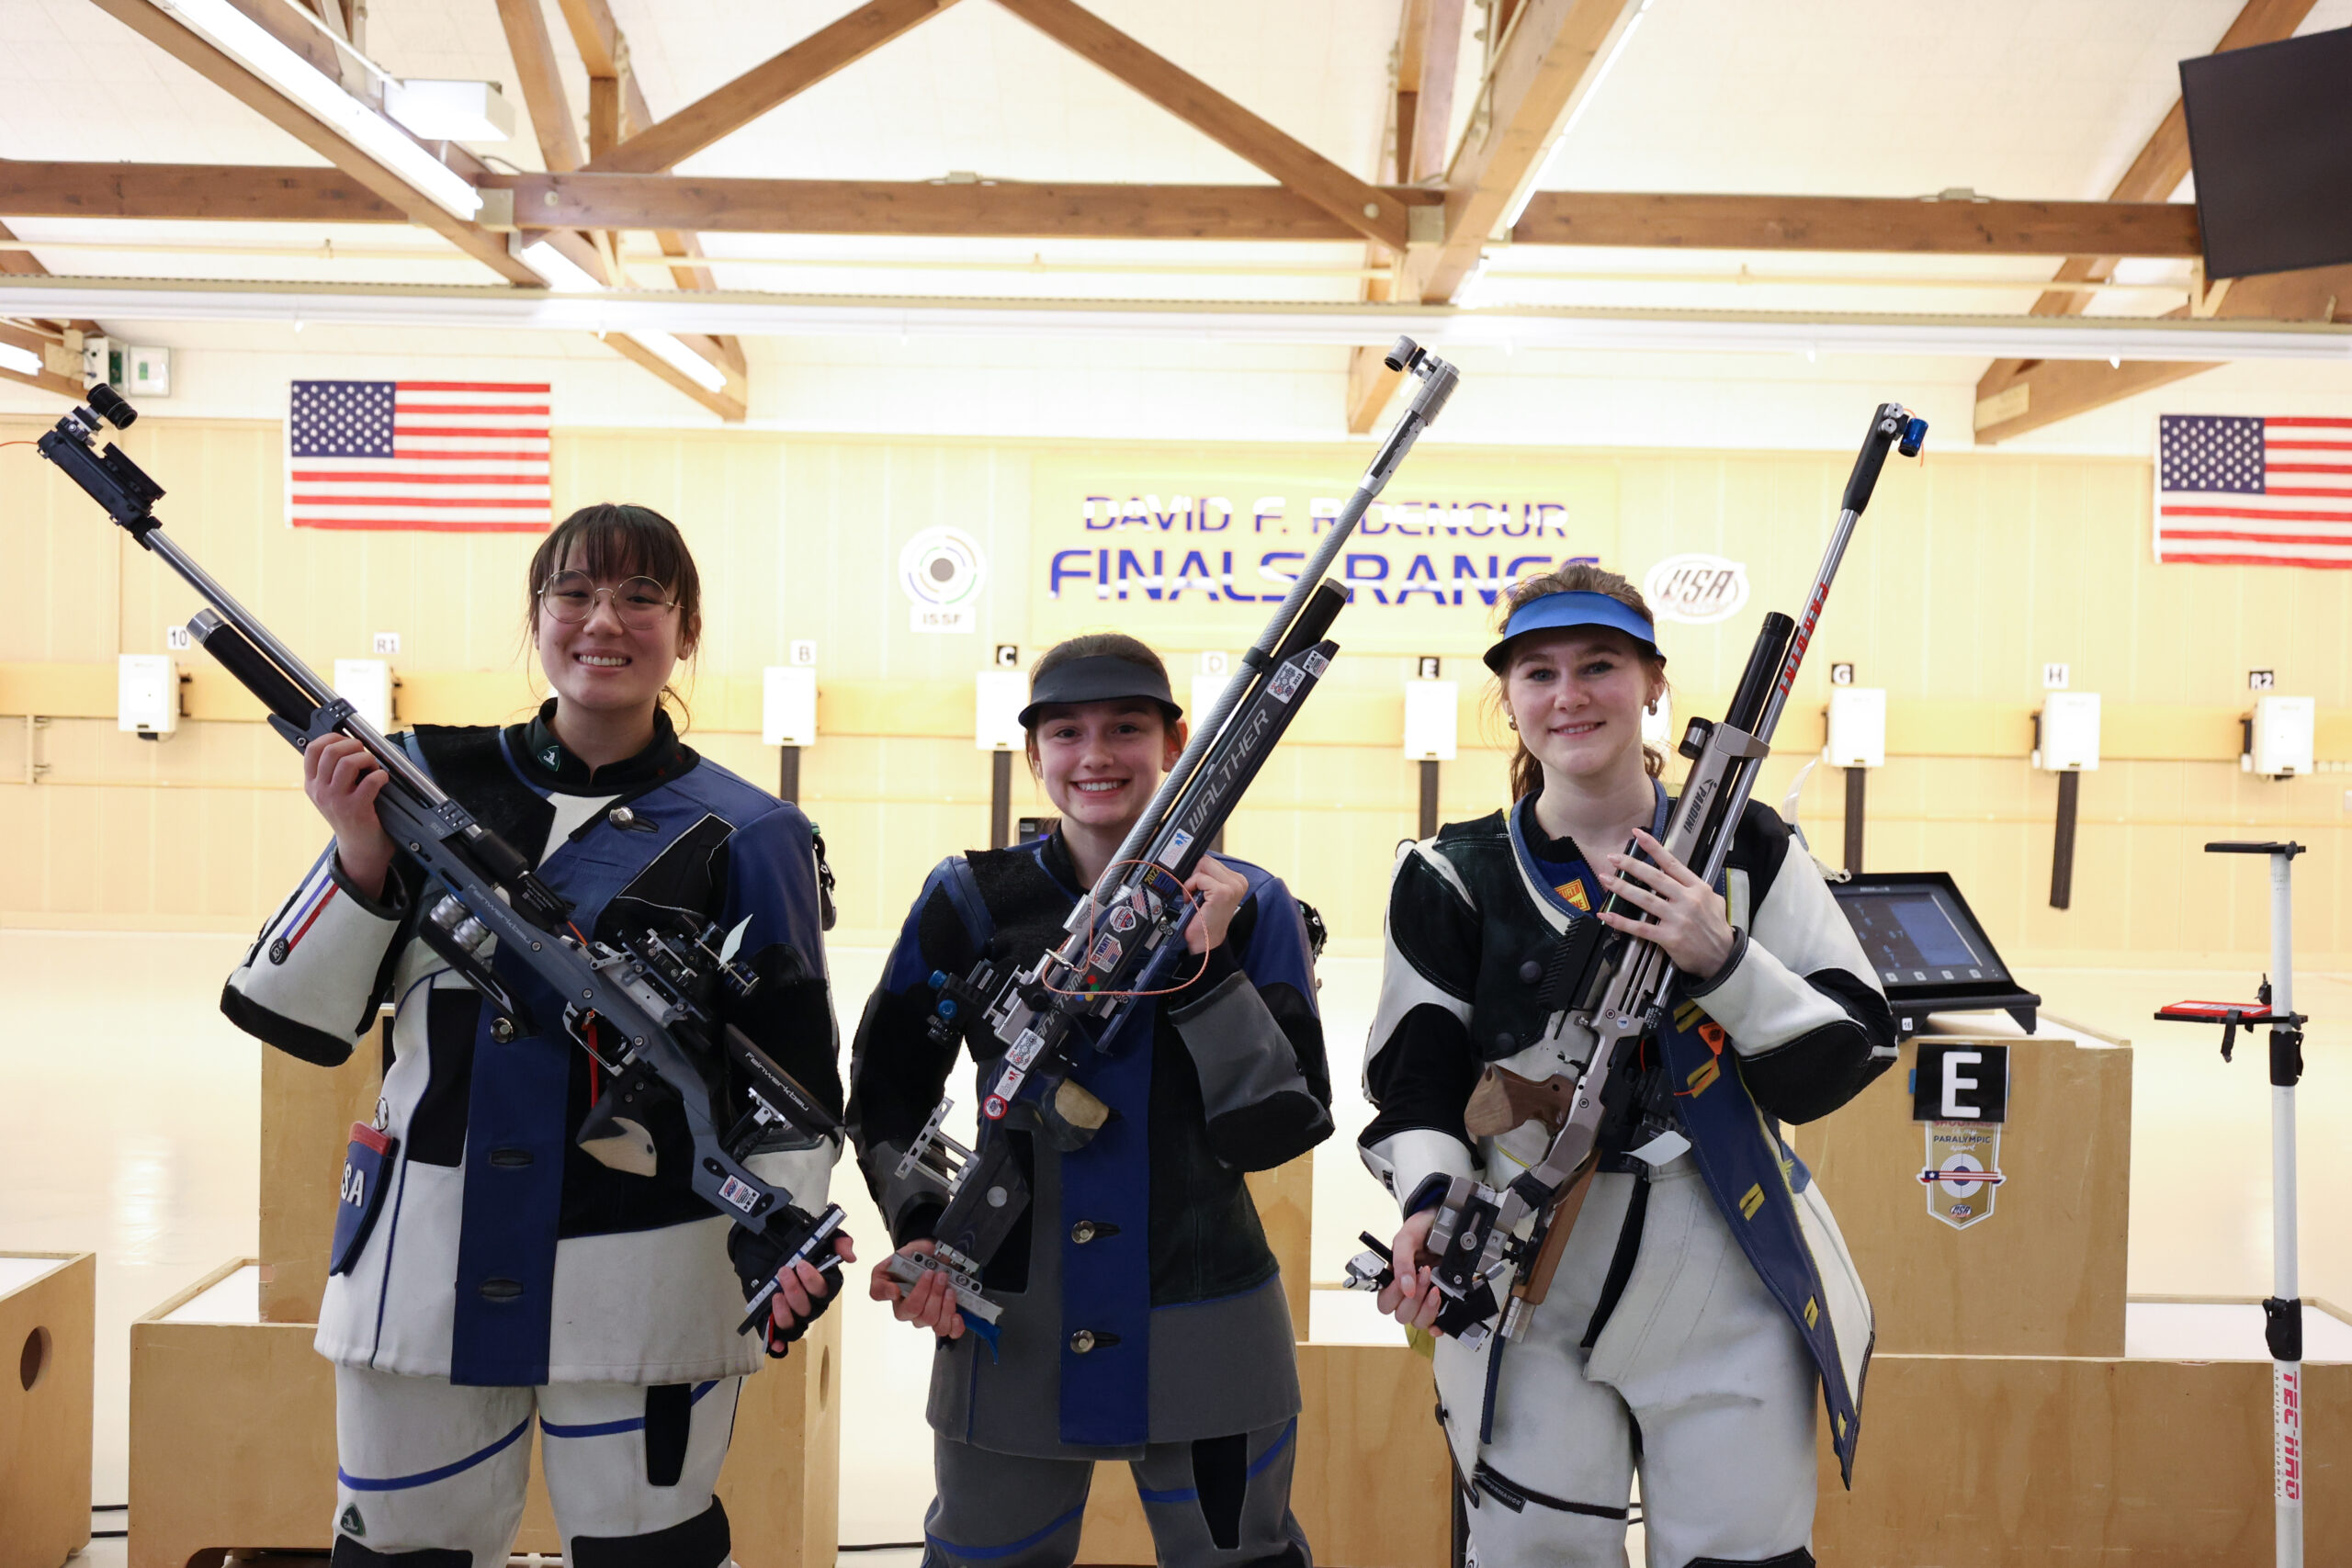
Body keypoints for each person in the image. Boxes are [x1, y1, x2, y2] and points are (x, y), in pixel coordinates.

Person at [222, 503, 850, 1567]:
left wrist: (779, 1231)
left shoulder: (752, 834)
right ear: (537, 616)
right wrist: (356, 851)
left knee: (643, 1548)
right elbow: (293, 1013)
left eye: (641, 597)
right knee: (402, 1549)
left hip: (646, 1269)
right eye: (574, 593)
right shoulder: (418, 782)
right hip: (424, 1252)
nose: (604, 620)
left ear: (685, 630)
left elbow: (790, 1080)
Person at [1360, 565, 1895, 1568]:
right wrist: (1433, 1197)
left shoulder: (1750, 852)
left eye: (1599, 665)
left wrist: (1721, 959)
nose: (1570, 696)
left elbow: (1848, 1046)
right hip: (1528, 1279)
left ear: (1652, 681)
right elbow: (1413, 1083)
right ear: (1508, 702)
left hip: (1728, 1276)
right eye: (1539, 673)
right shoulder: (1448, 874)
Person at [849, 633, 1333, 1568]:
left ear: (1178, 743)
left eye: (1125, 728)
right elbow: (885, 1092)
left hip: (1205, 1313)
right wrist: (919, 1224)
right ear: (1033, 755)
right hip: (1010, 1318)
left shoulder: (1249, 905)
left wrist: (1203, 967)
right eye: (1065, 733)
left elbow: (1282, 1124)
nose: (1096, 756)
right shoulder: (970, 898)